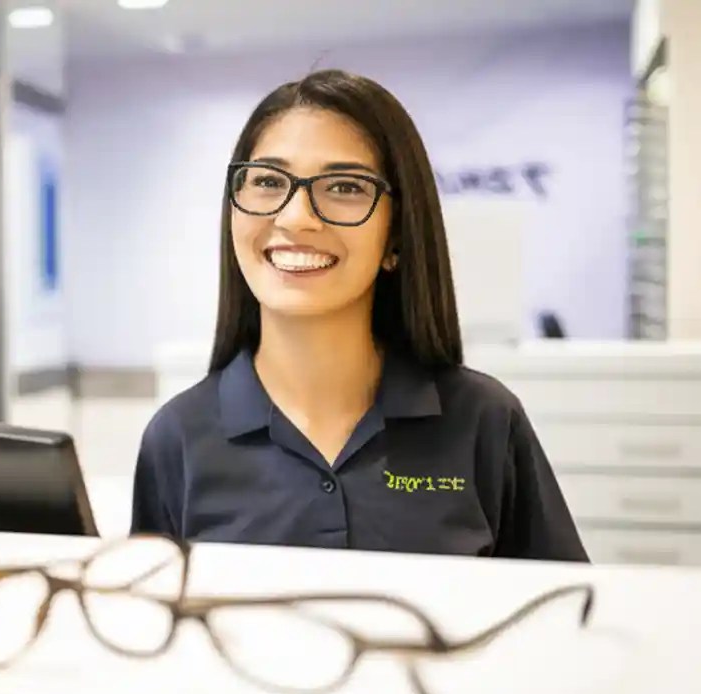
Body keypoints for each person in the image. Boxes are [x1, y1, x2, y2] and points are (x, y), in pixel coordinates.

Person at [130, 69, 587, 561]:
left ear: (396, 238)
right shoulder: (177, 436)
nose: (295, 217)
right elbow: (152, 629)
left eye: (345, 187)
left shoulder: (484, 420)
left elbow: (569, 620)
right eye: (266, 180)